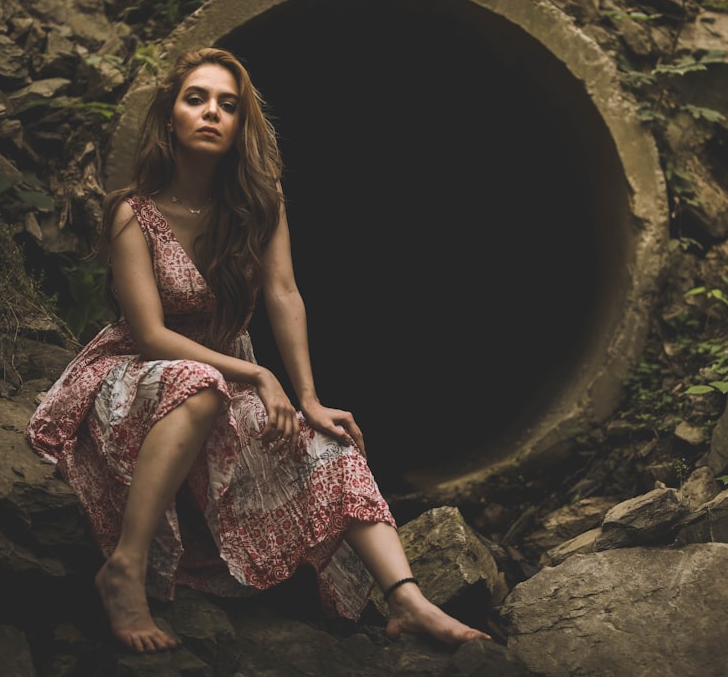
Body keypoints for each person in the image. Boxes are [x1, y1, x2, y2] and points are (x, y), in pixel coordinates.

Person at [26, 46, 491, 653]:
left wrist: (308, 398)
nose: (211, 113)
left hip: (227, 372)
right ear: (170, 116)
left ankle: (407, 601)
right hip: (140, 373)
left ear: (242, 125)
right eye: (196, 99)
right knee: (197, 386)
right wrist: (257, 373)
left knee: (325, 437)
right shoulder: (131, 212)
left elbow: (284, 294)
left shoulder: (257, 205)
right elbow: (149, 335)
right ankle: (126, 569)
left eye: (228, 105)